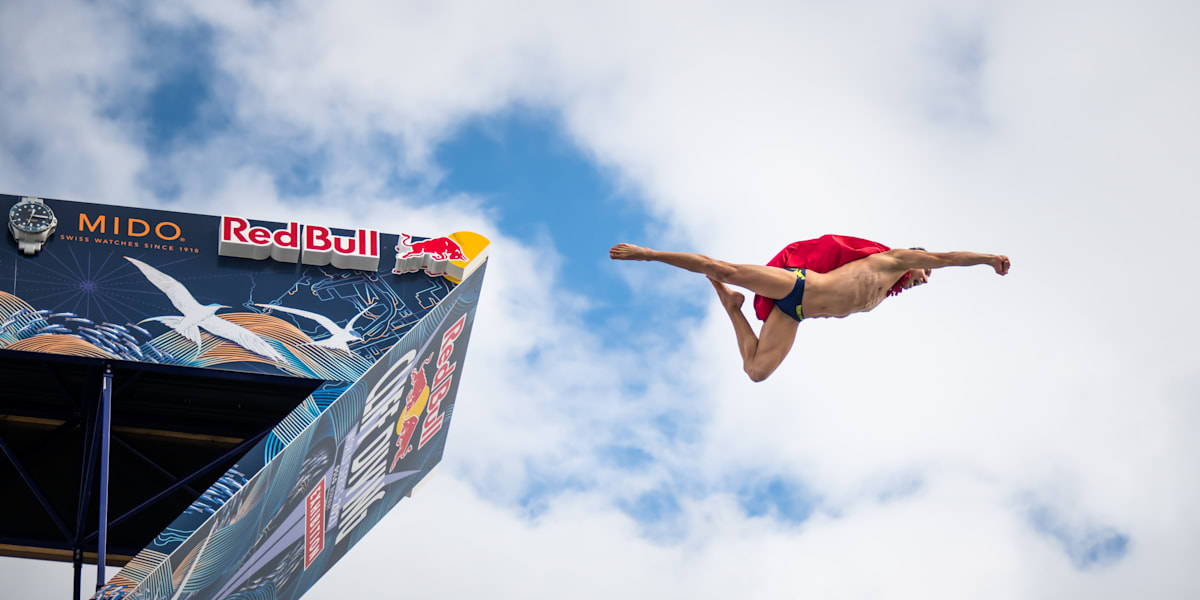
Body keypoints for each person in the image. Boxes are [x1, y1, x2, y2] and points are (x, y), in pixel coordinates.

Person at [610, 235, 1010, 382]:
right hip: (797, 283)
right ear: (914, 260)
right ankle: (649, 253)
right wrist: (989, 258)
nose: (926, 279)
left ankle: (732, 306)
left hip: (794, 313)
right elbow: (950, 257)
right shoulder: (896, 260)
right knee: (724, 268)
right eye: (925, 272)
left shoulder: (882, 294)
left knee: (755, 372)